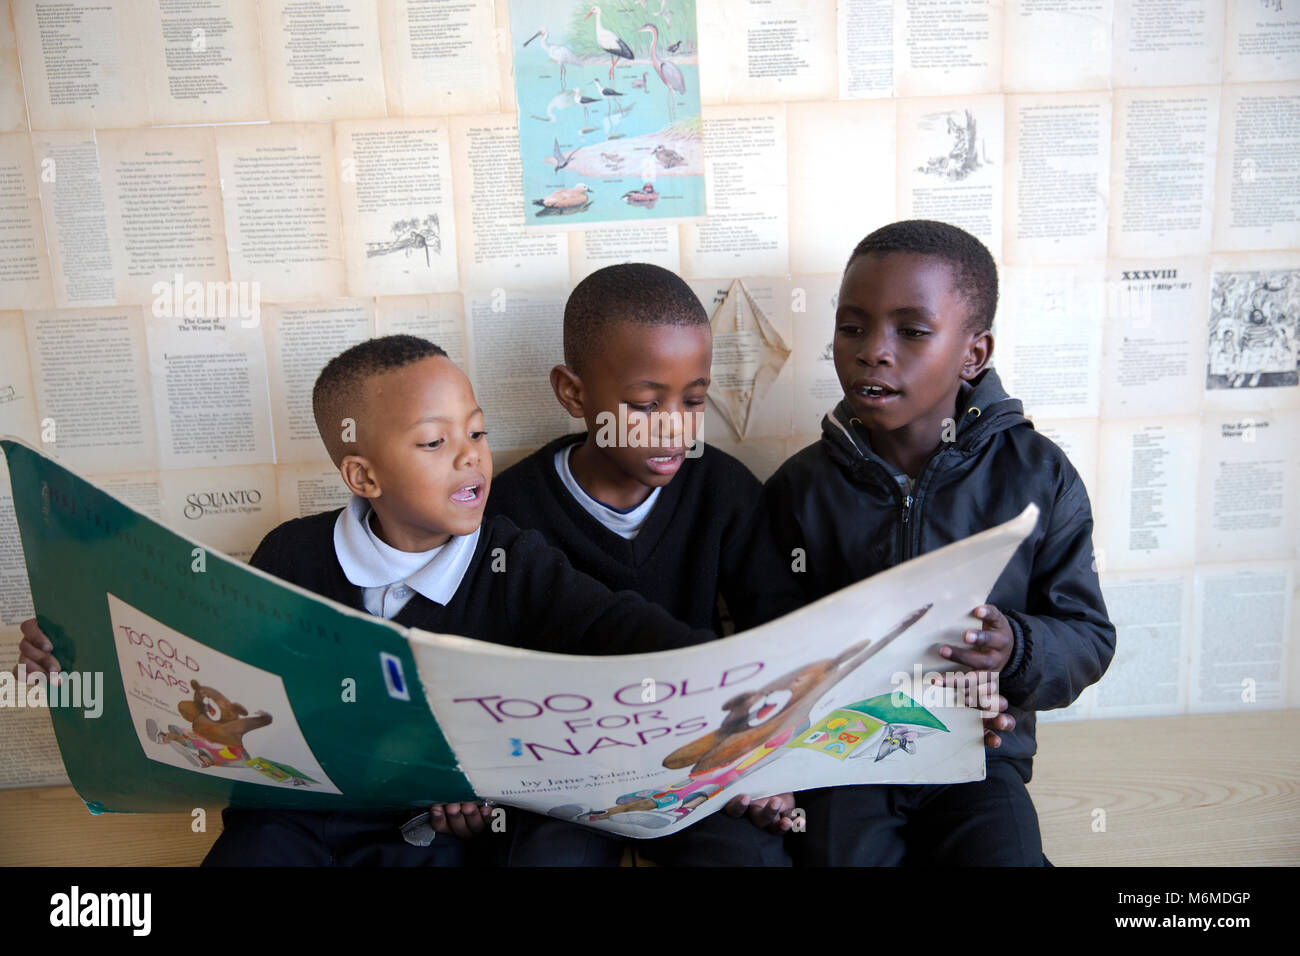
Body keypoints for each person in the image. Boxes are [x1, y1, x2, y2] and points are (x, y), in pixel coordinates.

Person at [18, 335, 724, 866]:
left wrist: (734, 669)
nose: (471, 455)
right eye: (433, 442)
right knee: (257, 847)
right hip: (316, 824)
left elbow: (623, 629)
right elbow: (203, 684)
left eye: (475, 432)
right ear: (363, 474)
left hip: (462, 835)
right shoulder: (290, 557)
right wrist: (78, 658)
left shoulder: (515, 560)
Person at [759, 220, 1116, 866]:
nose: (874, 351)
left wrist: (1016, 648)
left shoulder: (1038, 476)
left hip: (978, 757)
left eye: (911, 331)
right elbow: (766, 643)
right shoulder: (799, 489)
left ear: (973, 354)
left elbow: (1088, 636)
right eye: (852, 327)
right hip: (843, 761)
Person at [483, 263, 798, 866]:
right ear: (574, 393)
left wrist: (761, 760)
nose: (676, 427)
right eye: (646, 405)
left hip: (698, 764)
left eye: (695, 400)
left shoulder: (723, 492)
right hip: (560, 776)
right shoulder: (508, 511)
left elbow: (779, 629)